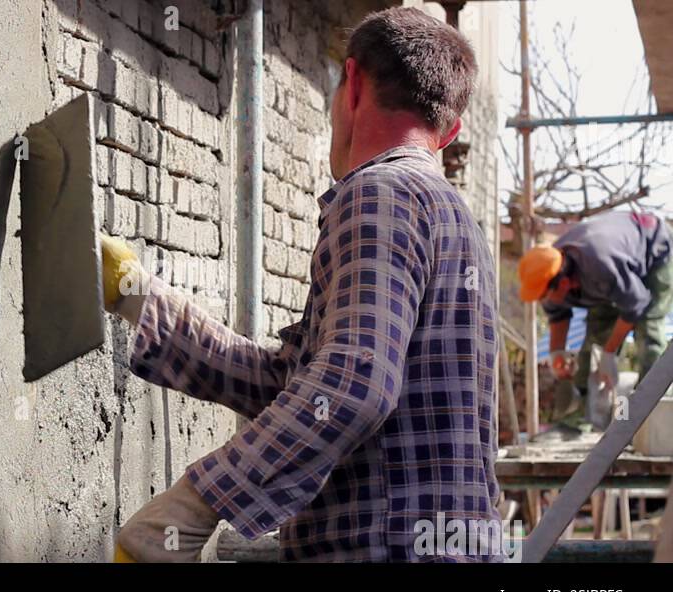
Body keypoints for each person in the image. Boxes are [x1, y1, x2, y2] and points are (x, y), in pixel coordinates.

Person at [103, 6, 500, 562]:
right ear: (450, 130)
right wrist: (140, 300)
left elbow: (354, 385)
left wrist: (195, 503)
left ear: (354, 82)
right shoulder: (454, 220)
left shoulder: (380, 196)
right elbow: (300, 388)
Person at [518, 211, 673, 397]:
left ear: (564, 283)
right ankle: (584, 414)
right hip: (610, 274)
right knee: (596, 337)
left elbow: (634, 307)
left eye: (545, 295)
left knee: (648, 329)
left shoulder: (601, 265)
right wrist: (557, 354)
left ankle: (651, 402)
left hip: (653, 246)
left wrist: (608, 353)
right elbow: (558, 317)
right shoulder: (550, 276)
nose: (545, 301)